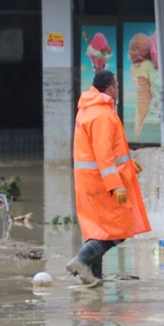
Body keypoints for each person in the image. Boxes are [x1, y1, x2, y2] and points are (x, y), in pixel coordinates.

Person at [67, 70, 150, 287]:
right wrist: (116, 186)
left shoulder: (89, 110)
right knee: (117, 229)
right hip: (101, 183)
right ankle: (82, 261)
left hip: (90, 181)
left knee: (98, 229)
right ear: (110, 88)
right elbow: (103, 154)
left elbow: (107, 149)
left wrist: (129, 163)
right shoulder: (102, 114)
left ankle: (92, 278)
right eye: (118, 86)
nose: (119, 90)